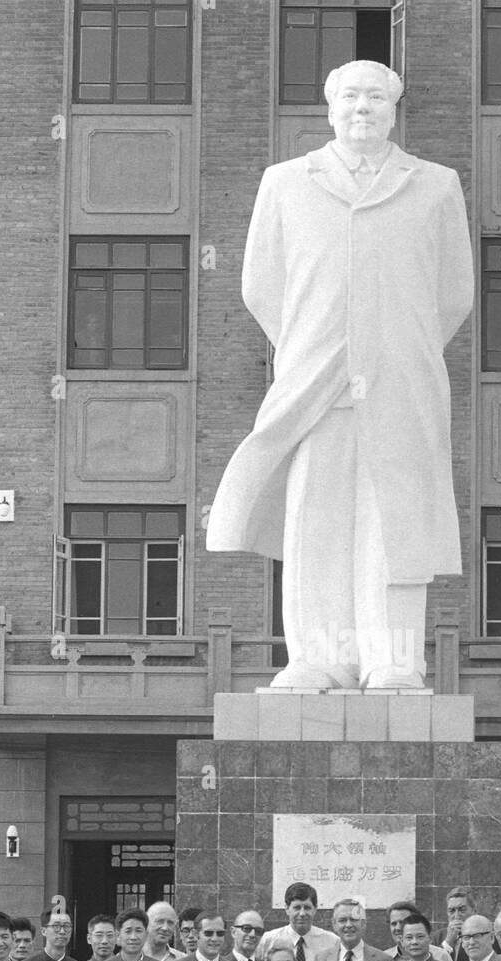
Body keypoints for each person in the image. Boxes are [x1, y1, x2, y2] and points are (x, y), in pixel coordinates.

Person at [206, 59, 474, 692]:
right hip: (315, 385)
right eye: (350, 96)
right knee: (315, 522)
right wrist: (313, 343)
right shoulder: (286, 183)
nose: (363, 108)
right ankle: (318, 658)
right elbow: (260, 286)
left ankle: (393, 660)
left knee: (394, 525)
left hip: (401, 384)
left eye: (377, 97)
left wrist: (395, 345)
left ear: (394, 108)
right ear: (328, 109)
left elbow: (453, 294)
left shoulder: (435, 185)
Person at [257, 882, 339, 961]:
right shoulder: (268, 940)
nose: (302, 913)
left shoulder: (332, 942)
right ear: (286, 909)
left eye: (307, 907)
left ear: (315, 909)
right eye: (296, 907)